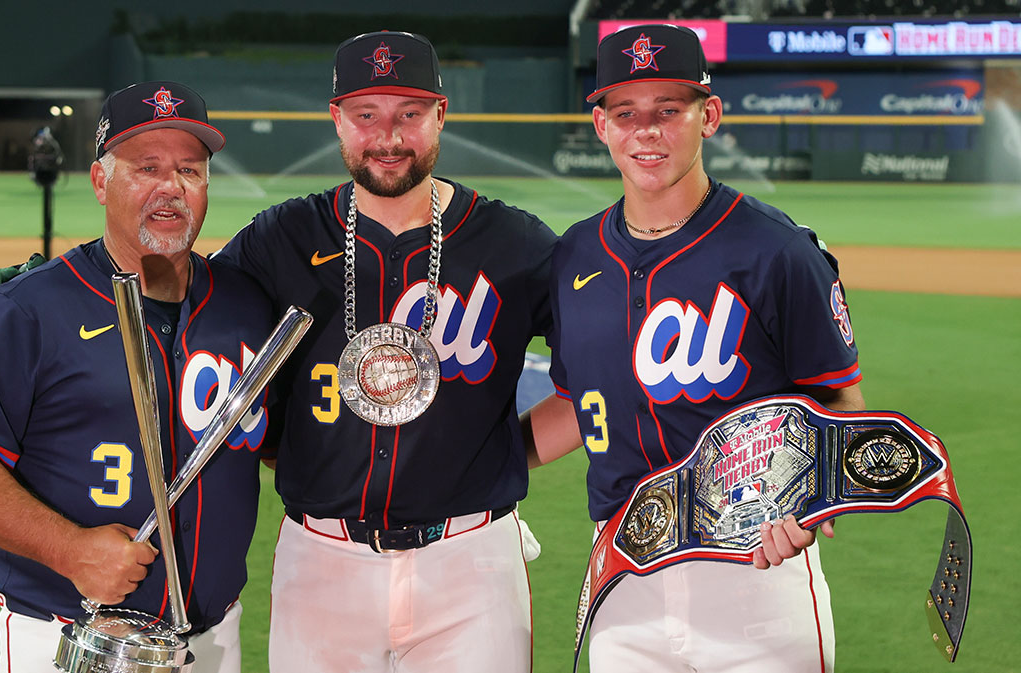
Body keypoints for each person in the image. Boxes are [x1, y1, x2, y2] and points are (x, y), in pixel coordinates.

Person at [524, 24, 866, 673]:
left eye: (668, 111)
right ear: (601, 125)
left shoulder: (778, 253)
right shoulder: (573, 255)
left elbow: (840, 406)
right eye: (626, 113)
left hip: (755, 580)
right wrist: (481, 465)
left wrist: (810, 501)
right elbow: (579, 403)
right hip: (625, 584)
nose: (645, 131)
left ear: (708, 115)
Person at [214, 30, 556, 673]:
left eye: (409, 115)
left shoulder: (514, 243)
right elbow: (201, 357)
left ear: (441, 116)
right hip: (320, 560)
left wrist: (510, 449)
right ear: (337, 120)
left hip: (471, 560)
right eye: (366, 116)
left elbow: (596, 379)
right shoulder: (280, 238)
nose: (388, 138)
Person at [0, 81, 275, 673]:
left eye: (189, 169)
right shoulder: (28, 310)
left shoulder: (245, 305)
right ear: (101, 181)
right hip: (69, 639)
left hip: (211, 640)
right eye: (145, 167)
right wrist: (68, 548)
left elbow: (274, 443)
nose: (170, 187)